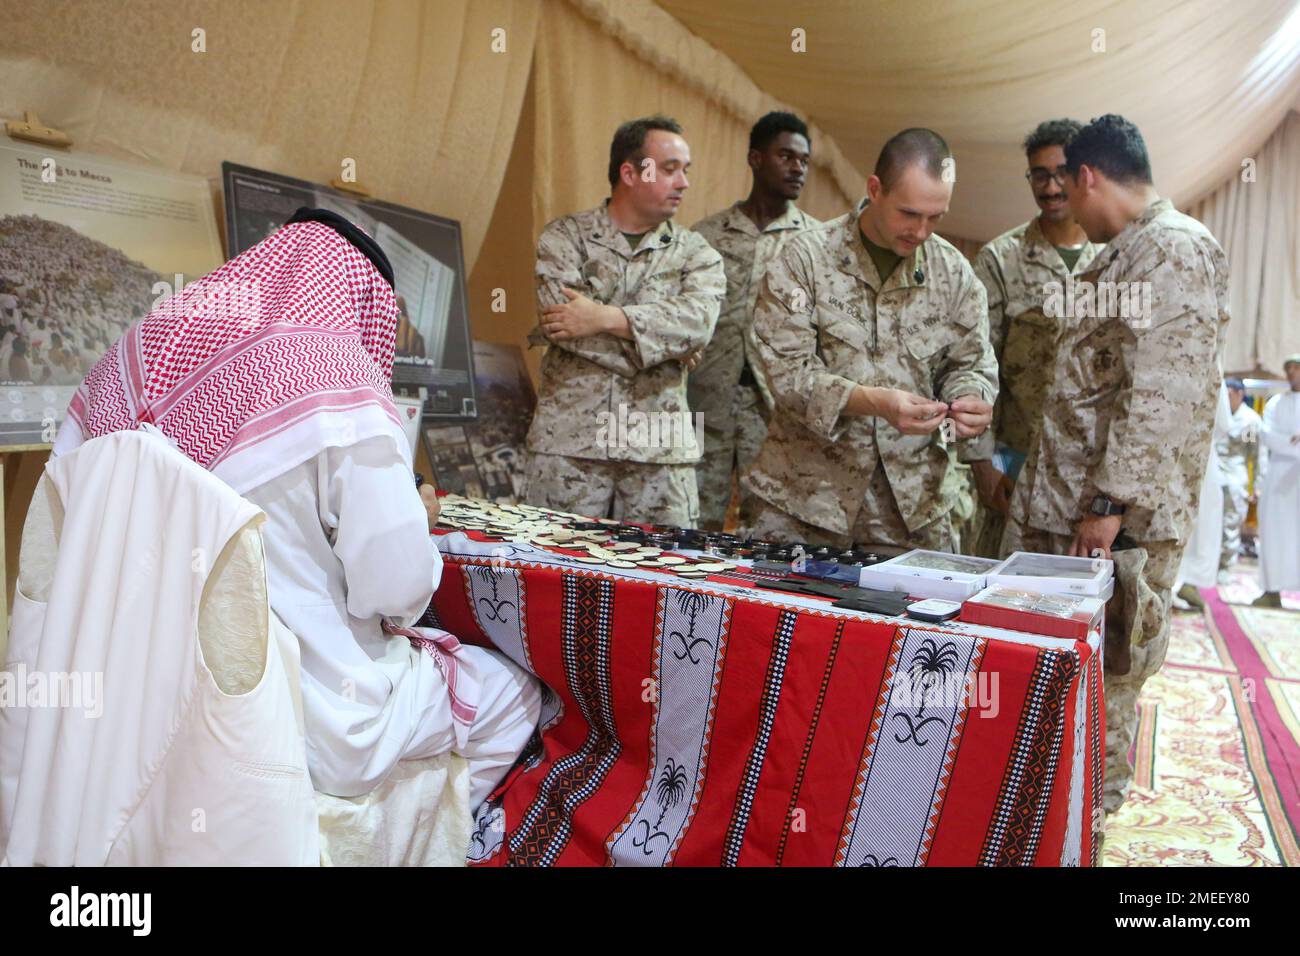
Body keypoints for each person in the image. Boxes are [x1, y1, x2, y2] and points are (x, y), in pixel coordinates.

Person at [54, 209, 541, 810]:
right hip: (301, 714)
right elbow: (398, 587)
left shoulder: (128, 362)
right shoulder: (338, 381)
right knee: (513, 691)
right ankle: (407, 842)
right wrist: (414, 518)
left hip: (122, 689)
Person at [1002, 115, 1230, 814]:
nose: (1063, 199)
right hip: (1075, 511)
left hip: (1116, 525)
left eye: (1067, 184)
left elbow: (1162, 395)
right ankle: (1049, 819)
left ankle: (1084, 826)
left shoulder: (1173, 251)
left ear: (1088, 177)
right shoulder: (1129, 251)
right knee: (1062, 671)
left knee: (1106, 678)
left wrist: (1108, 508)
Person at [743, 128, 997, 553]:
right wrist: (874, 402)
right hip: (804, 503)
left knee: (911, 621)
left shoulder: (954, 273)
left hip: (911, 511)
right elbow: (787, 375)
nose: (920, 231)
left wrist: (970, 398)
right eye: (909, 213)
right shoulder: (804, 259)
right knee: (786, 618)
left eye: (936, 217)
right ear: (874, 189)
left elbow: (970, 363)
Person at [525, 116, 725, 526]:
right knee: (552, 570)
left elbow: (697, 324)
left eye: (686, 170)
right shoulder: (566, 238)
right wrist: (665, 348)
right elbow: (562, 326)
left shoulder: (697, 253)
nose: (684, 182)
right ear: (629, 172)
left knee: (662, 582)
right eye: (670, 169)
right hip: (570, 448)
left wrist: (603, 317)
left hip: (659, 453)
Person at [969, 120, 1104, 557]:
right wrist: (981, 459)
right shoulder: (1001, 259)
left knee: (1078, 602)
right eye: (1038, 175)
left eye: (1060, 172)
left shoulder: (1114, 258)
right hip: (1015, 461)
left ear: (1084, 172)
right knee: (998, 593)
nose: (1050, 187)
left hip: (1090, 475)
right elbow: (974, 362)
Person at [688, 112, 821, 530]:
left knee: (766, 524)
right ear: (755, 159)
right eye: (785, 156)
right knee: (693, 518)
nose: (797, 167)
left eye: (803, 160)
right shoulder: (706, 235)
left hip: (774, 409)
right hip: (705, 400)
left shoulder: (817, 244)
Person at [1253, 354, 1300, 609]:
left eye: (1296, 368)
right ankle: (1271, 591)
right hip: (1278, 475)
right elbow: (1268, 436)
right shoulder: (1274, 404)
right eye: (1289, 368)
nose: (1292, 372)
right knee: (1273, 533)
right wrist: (1292, 441)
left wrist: (1292, 442)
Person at [1218, 377, 1261, 577]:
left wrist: (1258, 486)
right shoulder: (1219, 414)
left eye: (1228, 394)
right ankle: (1209, 564)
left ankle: (1226, 566)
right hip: (1215, 474)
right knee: (1211, 522)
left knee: (1230, 523)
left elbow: (1258, 455)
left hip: (1235, 476)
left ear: (1239, 394)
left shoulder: (1250, 419)